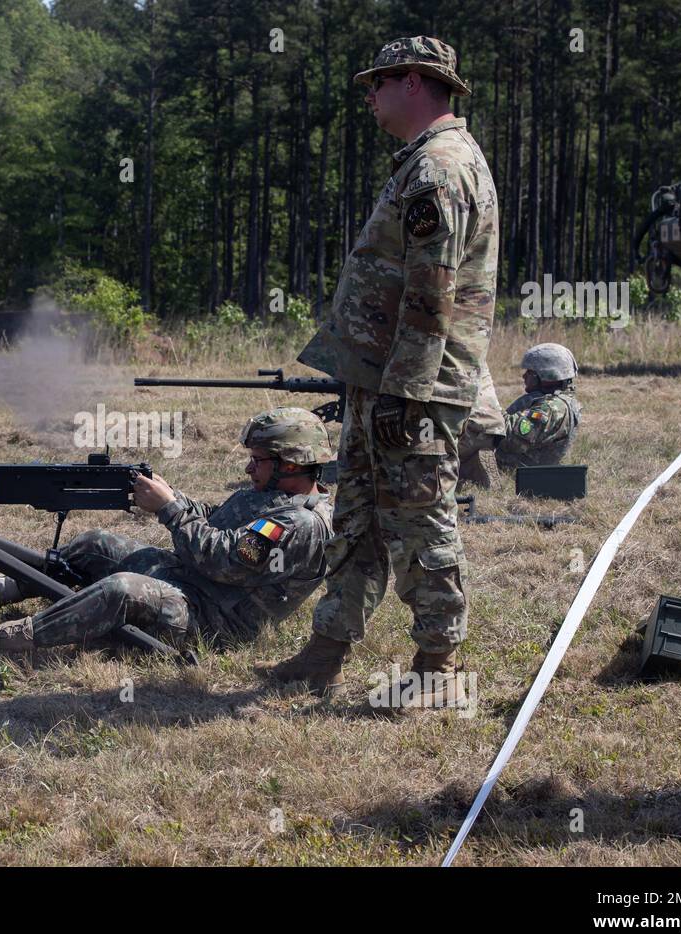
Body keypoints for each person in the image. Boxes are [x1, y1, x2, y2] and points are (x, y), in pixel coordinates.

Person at [271, 36, 498, 710]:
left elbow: (433, 291)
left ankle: (439, 665)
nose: (368, 96)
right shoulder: (422, 163)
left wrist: (406, 390)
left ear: (414, 82)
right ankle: (326, 649)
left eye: (377, 83)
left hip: (414, 387)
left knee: (422, 519)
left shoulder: (439, 169)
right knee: (360, 517)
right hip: (387, 381)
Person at [0, 408, 334, 655]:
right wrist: (168, 494)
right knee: (99, 542)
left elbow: (224, 561)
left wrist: (169, 509)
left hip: (211, 620)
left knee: (122, 589)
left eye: (258, 461)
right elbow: (215, 518)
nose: (250, 469)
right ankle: (0, 592)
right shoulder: (272, 495)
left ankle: (7, 639)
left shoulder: (300, 525)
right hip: (191, 584)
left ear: (293, 464)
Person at [494, 343, 582, 472]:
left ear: (547, 376)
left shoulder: (552, 408)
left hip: (521, 475)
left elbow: (512, 439)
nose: (524, 376)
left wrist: (489, 408)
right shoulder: (551, 400)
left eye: (530, 372)